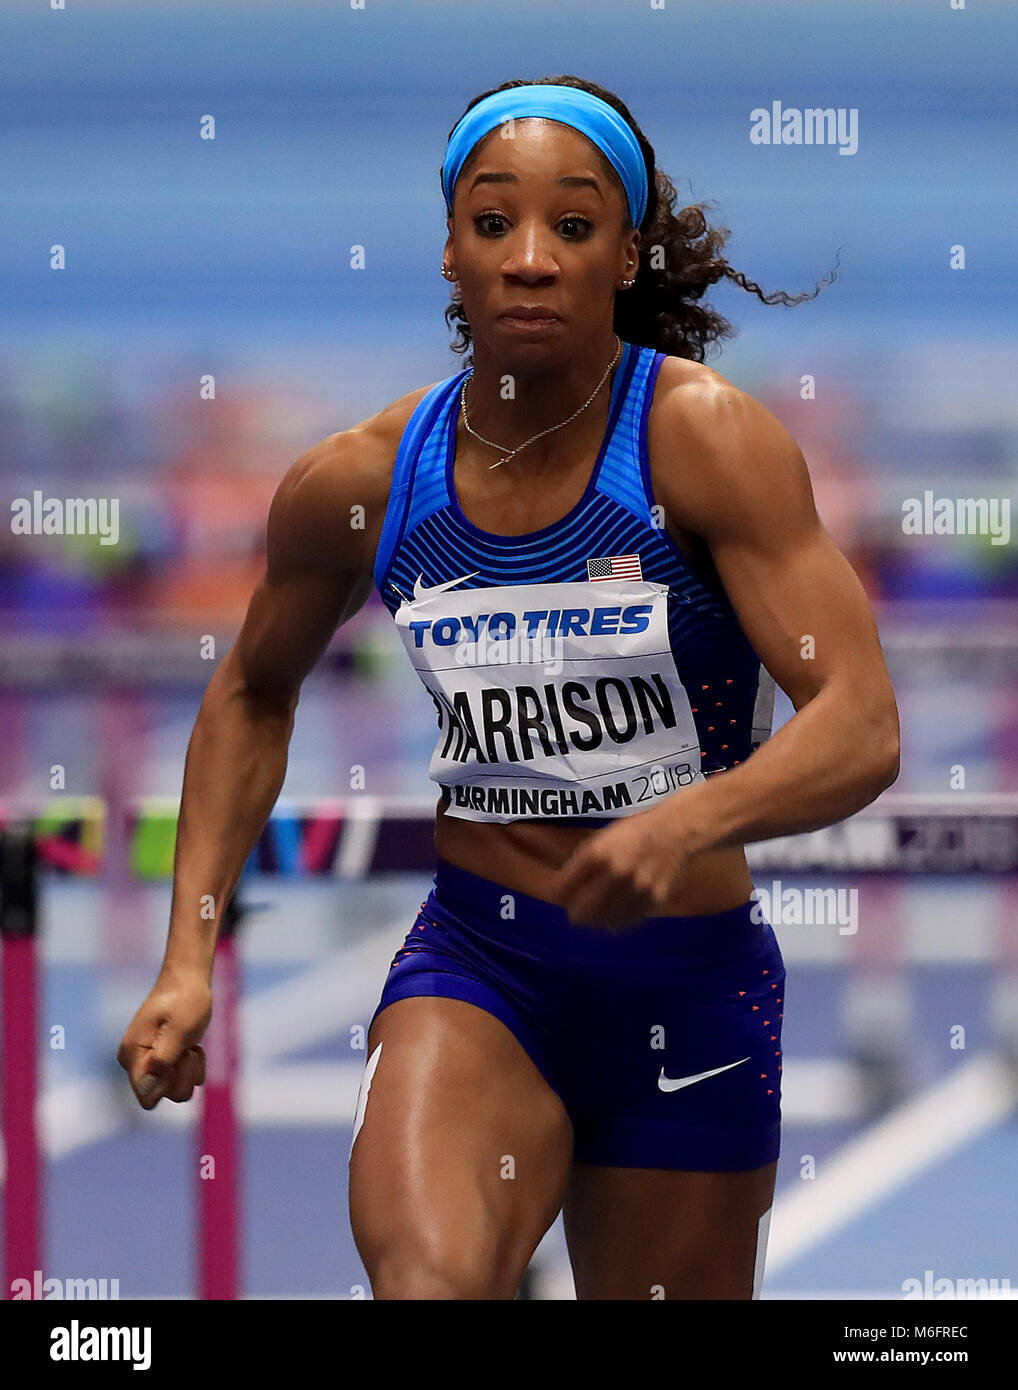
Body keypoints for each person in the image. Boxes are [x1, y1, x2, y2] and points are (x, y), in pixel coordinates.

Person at [117, 75, 900, 1301]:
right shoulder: (363, 481)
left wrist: (685, 819)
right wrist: (185, 957)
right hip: (482, 970)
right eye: (494, 225)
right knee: (428, 1283)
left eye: (572, 228)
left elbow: (859, 719)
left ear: (625, 254)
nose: (530, 260)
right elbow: (250, 693)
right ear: (450, 249)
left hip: (686, 985)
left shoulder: (703, 441)